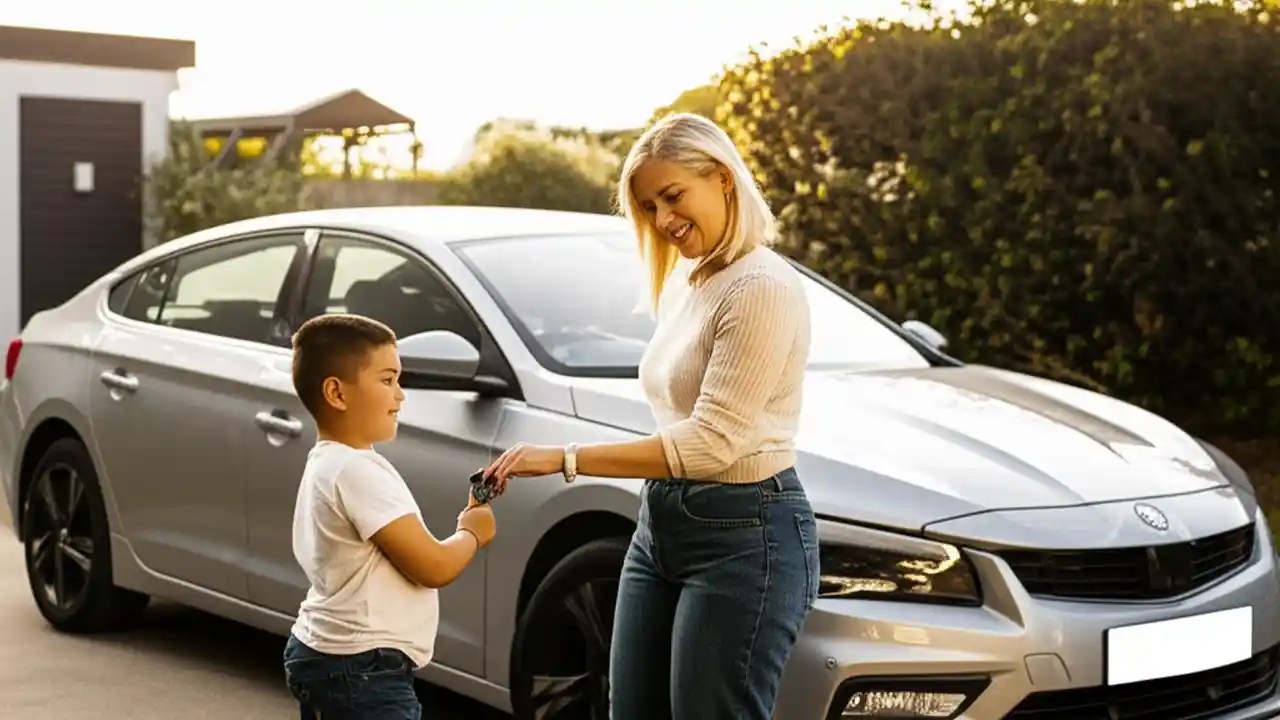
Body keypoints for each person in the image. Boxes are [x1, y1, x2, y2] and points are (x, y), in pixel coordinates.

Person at [482, 112, 817, 720]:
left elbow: (712, 444)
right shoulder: (693, 278)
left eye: (672, 197)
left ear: (721, 178)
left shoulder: (761, 286)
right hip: (661, 523)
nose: (663, 221)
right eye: (648, 207)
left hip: (746, 535)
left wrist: (564, 459)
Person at [282, 314, 496, 720]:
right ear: (337, 393)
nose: (400, 395)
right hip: (362, 668)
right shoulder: (358, 471)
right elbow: (432, 566)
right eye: (387, 380)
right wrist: (472, 531)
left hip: (328, 653)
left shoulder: (329, 464)